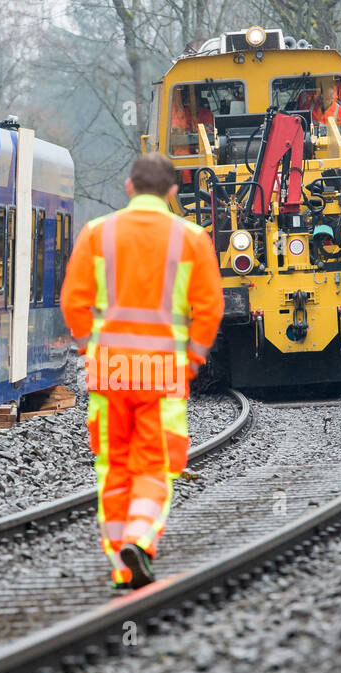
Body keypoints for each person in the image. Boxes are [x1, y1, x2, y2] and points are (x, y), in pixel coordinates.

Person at [60, 153, 224, 590]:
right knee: (154, 466)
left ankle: (120, 565)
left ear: (129, 188)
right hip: (162, 372)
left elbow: (73, 303)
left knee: (113, 468)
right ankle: (140, 538)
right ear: (173, 192)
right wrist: (190, 361)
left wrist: (88, 349)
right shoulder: (191, 238)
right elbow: (209, 309)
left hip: (109, 371)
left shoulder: (97, 233)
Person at [169, 87, 214, 155]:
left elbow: (210, 132)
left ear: (199, 100)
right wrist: (177, 130)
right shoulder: (181, 113)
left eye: (195, 100)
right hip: (185, 154)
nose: (193, 103)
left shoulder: (207, 114)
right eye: (190, 100)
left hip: (206, 152)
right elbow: (175, 128)